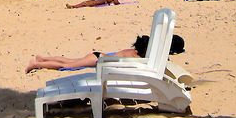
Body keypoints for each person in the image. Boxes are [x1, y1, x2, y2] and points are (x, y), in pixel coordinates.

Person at [25, 31, 183, 73]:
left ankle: (42, 58)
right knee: (67, 66)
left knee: (68, 60)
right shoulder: (141, 56)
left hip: (99, 56)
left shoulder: (137, 50)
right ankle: (37, 63)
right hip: (99, 59)